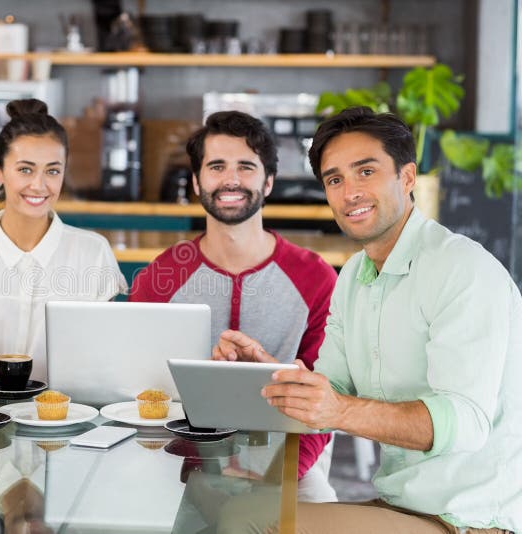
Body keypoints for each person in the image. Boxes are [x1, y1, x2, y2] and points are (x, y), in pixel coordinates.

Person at [216, 106, 521, 532]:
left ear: (408, 177)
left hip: (469, 518)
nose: (350, 192)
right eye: (335, 179)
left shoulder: (461, 269)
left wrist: (336, 409)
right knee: (233, 511)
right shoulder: (354, 280)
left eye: (366, 172)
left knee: (243, 522)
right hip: (401, 504)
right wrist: (271, 373)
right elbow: (333, 392)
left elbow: (467, 423)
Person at [130, 110, 338, 503]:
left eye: (246, 166)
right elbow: (138, 387)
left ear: (269, 181)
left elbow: (329, 392)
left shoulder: (316, 279)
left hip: (289, 461)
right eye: (216, 166)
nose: (231, 179)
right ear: (196, 182)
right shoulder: (162, 275)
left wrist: (276, 475)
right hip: (181, 460)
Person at [0, 98, 127, 388]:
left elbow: (103, 365)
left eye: (52, 171)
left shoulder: (94, 253)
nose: (39, 185)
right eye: (25, 169)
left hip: (71, 419)